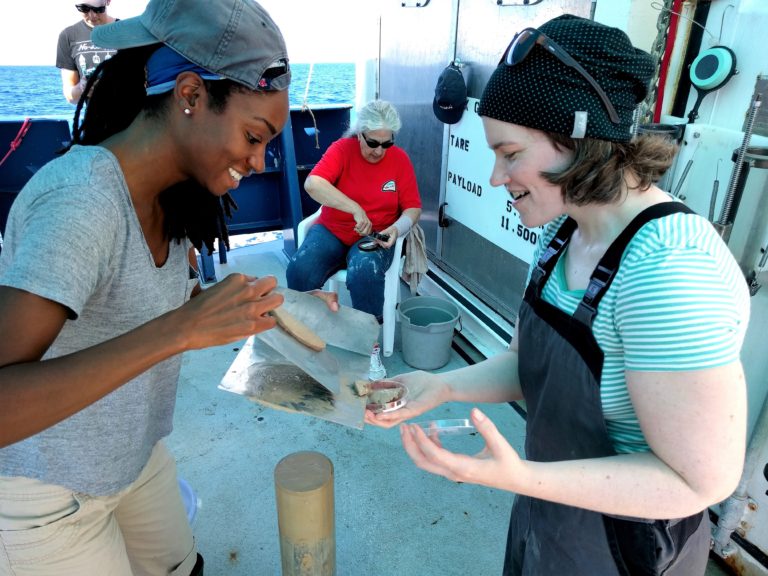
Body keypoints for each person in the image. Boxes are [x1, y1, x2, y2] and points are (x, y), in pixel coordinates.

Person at [366, 14, 750, 575]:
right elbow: (530, 365)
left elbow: (699, 481)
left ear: (577, 140)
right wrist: (440, 386)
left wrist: (521, 477)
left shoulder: (668, 269)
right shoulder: (560, 232)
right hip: (552, 514)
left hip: (630, 551)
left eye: (511, 153)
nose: (497, 177)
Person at [0, 1, 321, 574]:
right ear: (191, 95)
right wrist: (178, 329)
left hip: (132, 458)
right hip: (49, 490)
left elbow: (121, 313)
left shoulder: (174, 195)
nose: (260, 159)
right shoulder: (81, 202)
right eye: (254, 135)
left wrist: (209, 312)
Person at [286, 100, 422, 323]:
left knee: (364, 271)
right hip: (333, 231)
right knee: (299, 270)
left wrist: (397, 229)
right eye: (373, 142)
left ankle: (369, 345)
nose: (379, 151)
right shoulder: (341, 150)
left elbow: (413, 208)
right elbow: (313, 184)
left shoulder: (399, 160)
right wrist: (355, 209)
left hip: (376, 235)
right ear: (360, 134)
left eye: (386, 144)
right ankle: (307, 332)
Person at [56, 0, 117, 104]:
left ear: (108, 1)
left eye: (98, 10)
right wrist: (82, 88)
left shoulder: (128, 31)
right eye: (84, 9)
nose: (92, 15)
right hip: (95, 118)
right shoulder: (68, 36)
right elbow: (70, 96)